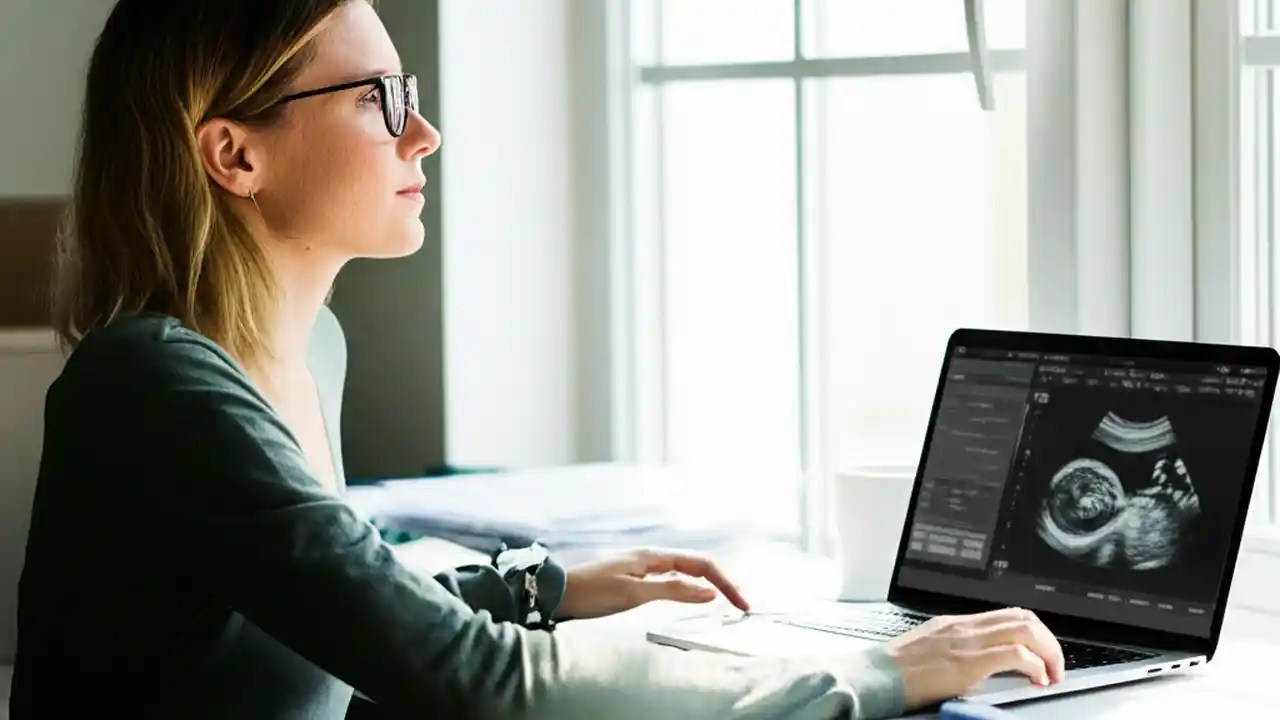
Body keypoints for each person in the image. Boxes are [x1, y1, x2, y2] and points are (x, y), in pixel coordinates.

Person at [9, 1, 1065, 717]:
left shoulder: (304, 346)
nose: (422, 133)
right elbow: (474, 685)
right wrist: (874, 671)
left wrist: (542, 586)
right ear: (234, 154)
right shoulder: (156, 384)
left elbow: (321, 601)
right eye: (376, 98)